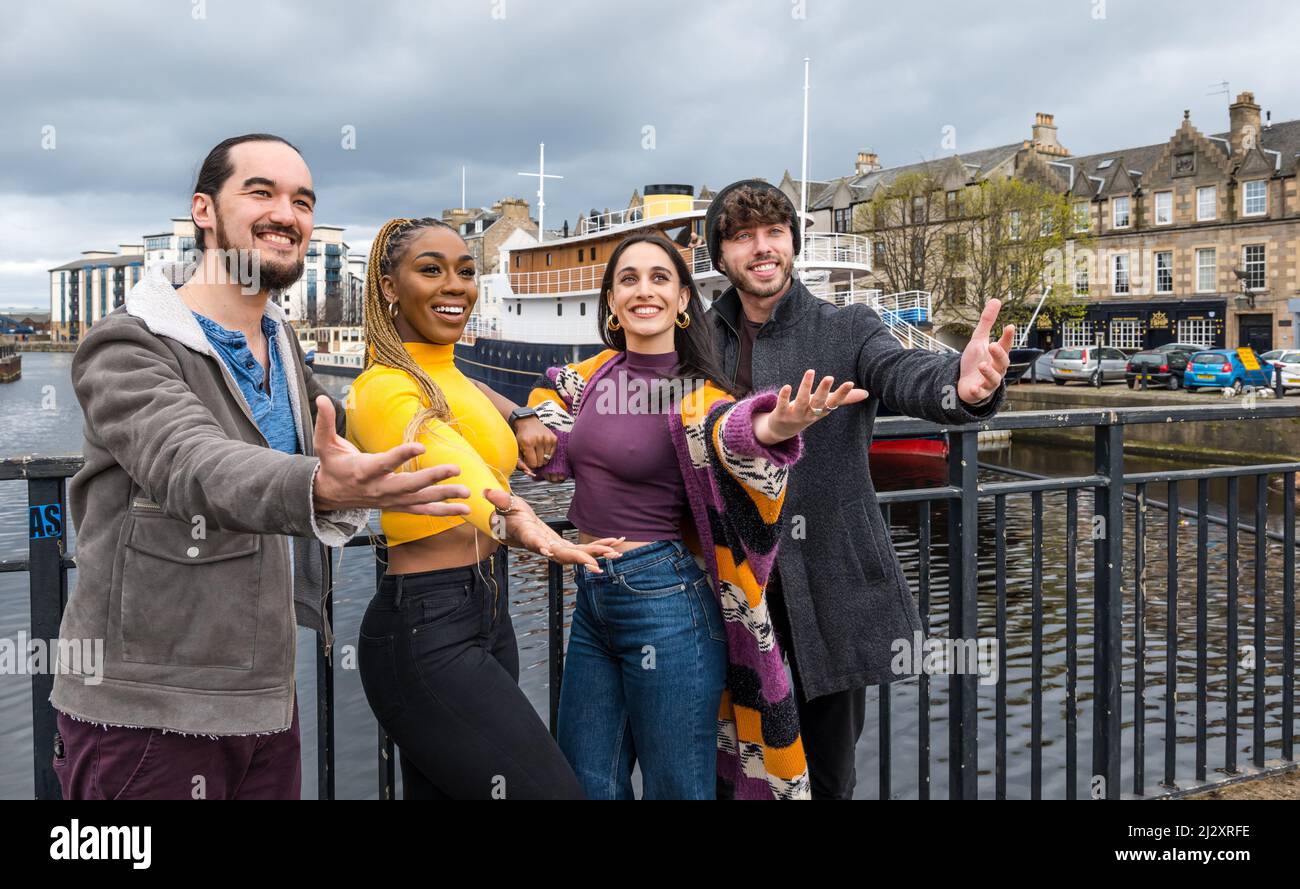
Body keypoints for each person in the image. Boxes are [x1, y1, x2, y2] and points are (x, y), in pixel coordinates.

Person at [49, 134, 471, 800]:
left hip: (266, 701)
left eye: (303, 199)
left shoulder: (281, 342)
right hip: (146, 712)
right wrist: (317, 485)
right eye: (261, 192)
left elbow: (371, 421)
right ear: (203, 211)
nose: (288, 212)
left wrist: (532, 424)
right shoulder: (127, 342)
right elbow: (190, 461)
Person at [526, 230, 867, 799]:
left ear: (684, 299)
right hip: (593, 598)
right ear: (610, 299)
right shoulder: (595, 377)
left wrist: (775, 427)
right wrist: (521, 417)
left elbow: (730, 432)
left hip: (666, 604)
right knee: (587, 780)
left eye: (660, 278)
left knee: (676, 787)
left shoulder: (695, 393)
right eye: (628, 279)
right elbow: (554, 419)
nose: (644, 291)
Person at [703, 179, 1014, 799]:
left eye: (773, 232)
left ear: (792, 241)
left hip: (824, 589)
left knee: (826, 777)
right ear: (720, 256)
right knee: (727, 772)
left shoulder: (847, 327)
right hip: (725, 588)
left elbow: (905, 375)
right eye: (742, 236)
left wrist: (964, 383)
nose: (761, 248)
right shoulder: (697, 342)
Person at [345, 217, 622, 800]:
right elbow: (446, 457)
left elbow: (463, 395)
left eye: (466, 272)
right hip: (426, 626)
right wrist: (517, 517)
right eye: (431, 270)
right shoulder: (381, 387)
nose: (456, 285)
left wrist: (520, 414)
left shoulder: (443, 371)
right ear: (389, 287)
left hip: (485, 607)